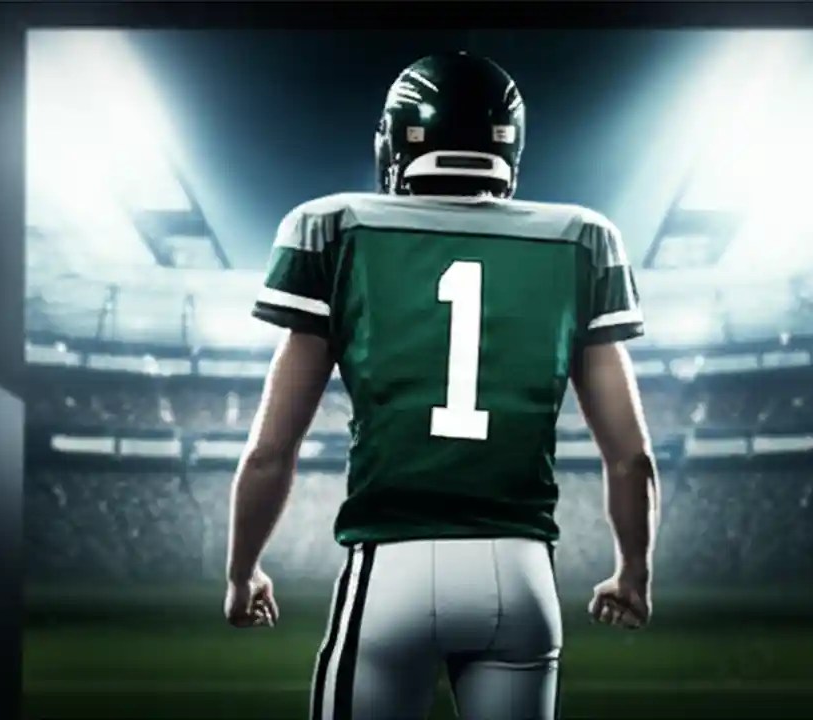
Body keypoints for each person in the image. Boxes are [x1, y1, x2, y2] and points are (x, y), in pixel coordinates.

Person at [224, 52, 660, 720]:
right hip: (522, 577)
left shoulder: (336, 229)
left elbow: (269, 451)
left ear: (396, 140)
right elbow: (631, 457)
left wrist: (241, 571)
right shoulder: (584, 238)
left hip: (392, 566)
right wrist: (634, 569)